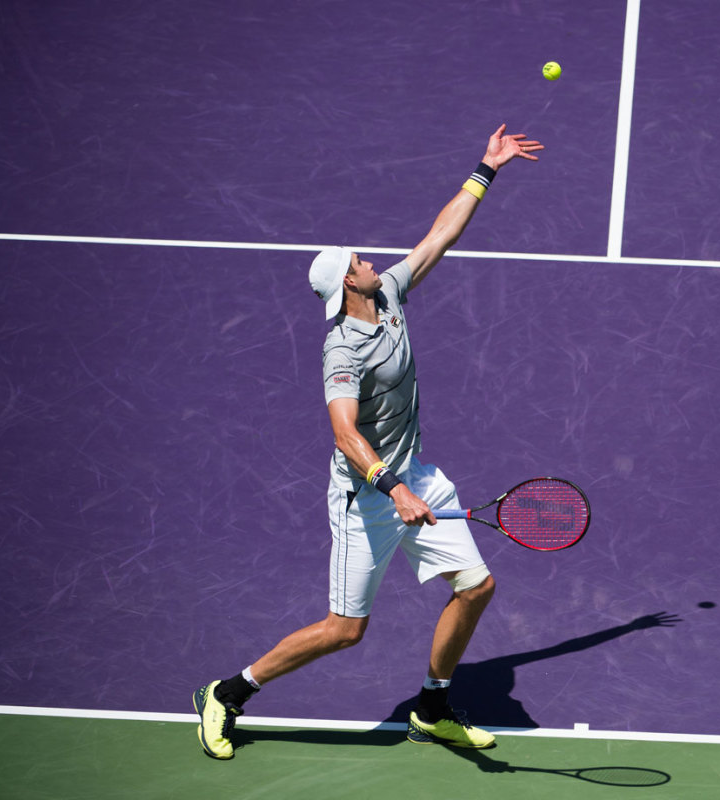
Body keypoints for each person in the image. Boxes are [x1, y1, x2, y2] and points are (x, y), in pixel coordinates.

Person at [194, 125, 544, 760]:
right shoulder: (342, 349)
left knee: (477, 587)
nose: (367, 260)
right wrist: (394, 489)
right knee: (345, 630)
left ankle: (433, 707)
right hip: (367, 497)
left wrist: (486, 169)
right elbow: (344, 432)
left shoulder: (390, 294)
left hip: (417, 475)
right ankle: (227, 693)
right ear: (346, 286)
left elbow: (440, 236)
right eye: (356, 261)